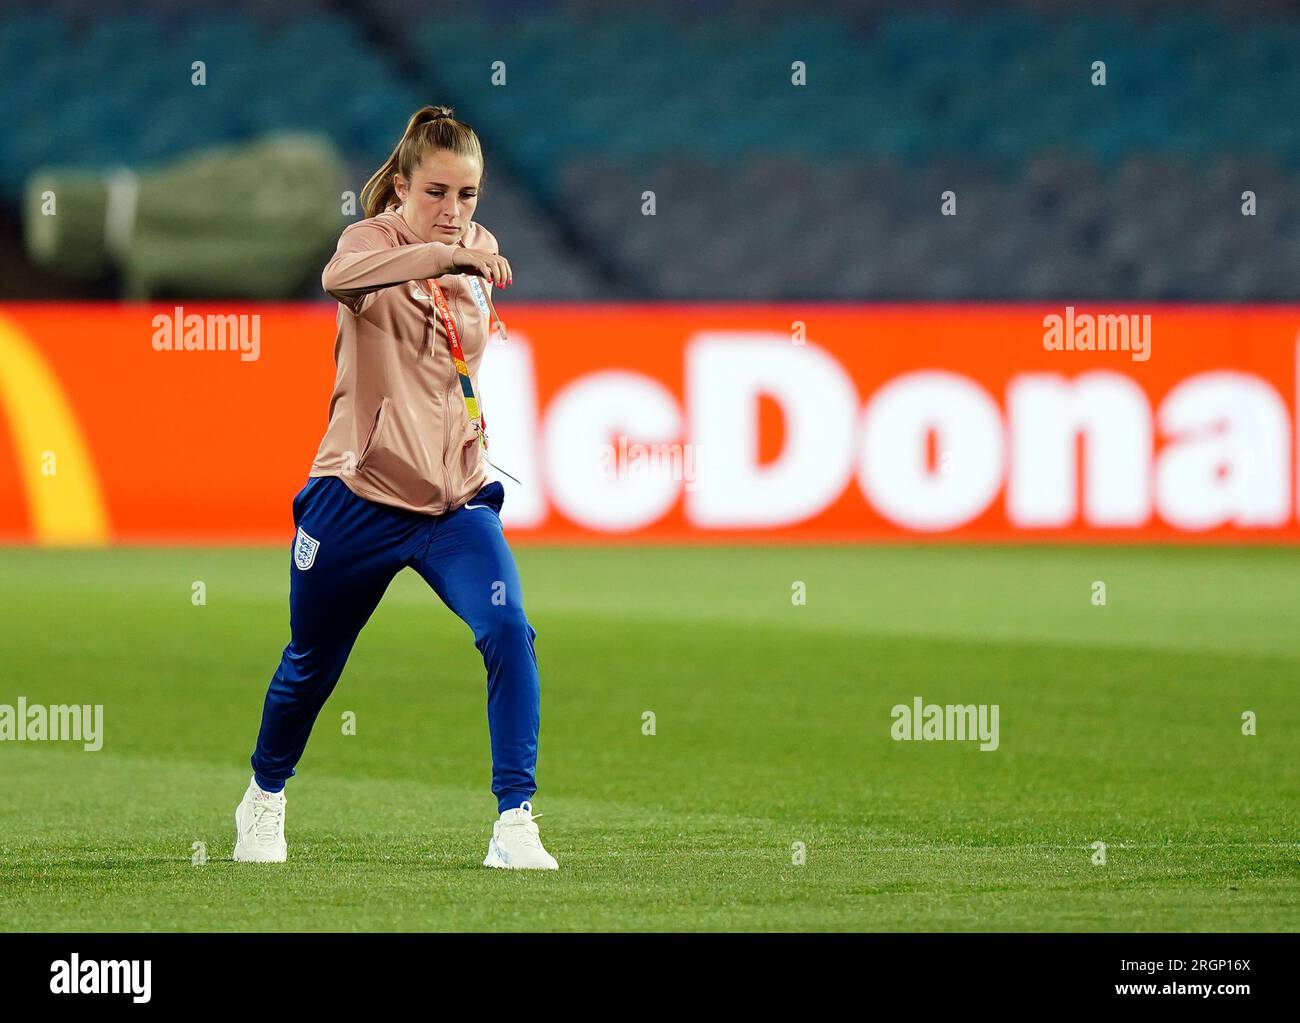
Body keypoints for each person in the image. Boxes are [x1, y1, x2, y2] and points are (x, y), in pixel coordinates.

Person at [232, 105, 556, 870]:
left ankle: (514, 820)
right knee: (311, 664)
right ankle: (264, 796)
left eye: (468, 195)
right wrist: (441, 262)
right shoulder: (368, 241)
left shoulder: (478, 245)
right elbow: (337, 278)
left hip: (453, 503)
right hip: (358, 497)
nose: (454, 212)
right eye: (437, 193)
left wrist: (465, 260)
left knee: (509, 631)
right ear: (403, 186)